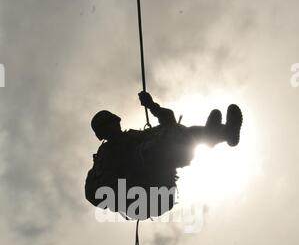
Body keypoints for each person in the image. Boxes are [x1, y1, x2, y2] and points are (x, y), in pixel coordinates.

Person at [85, 92, 243, 218]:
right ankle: (211, 135)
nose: (113, 127)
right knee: (155, 145)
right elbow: (95, 193)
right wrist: (125, 186)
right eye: (108, 126)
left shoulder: (132, 138)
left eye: (112, 122)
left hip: (159, 186)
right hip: (146, 197)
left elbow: (169, 121)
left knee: (172, 130)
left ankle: (223, 133)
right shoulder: (105, 155)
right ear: (103, 133)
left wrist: (152, 106)